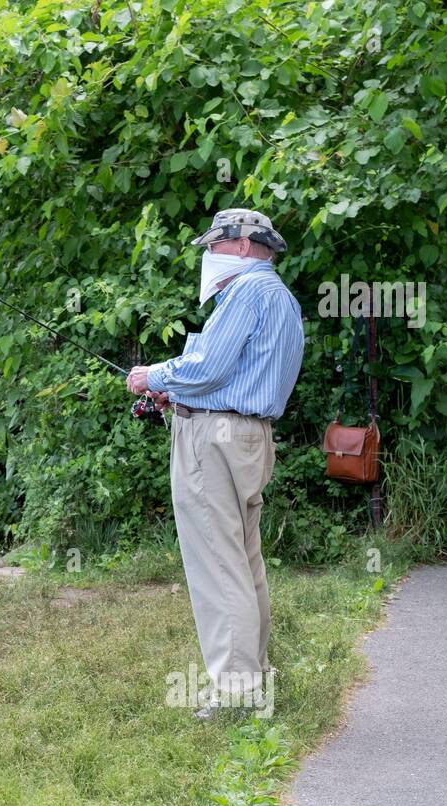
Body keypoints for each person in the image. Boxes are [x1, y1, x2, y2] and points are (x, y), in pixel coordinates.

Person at [126, 208, 304, 718]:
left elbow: (209, 365)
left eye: (215, 246)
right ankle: (255, 678)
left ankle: (236, 695)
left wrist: (152, 376)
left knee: (216, 564)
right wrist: (174, 392)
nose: (208, 256)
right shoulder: (282, 299)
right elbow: (239, 372)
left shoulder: (247, 292)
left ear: (244, 246)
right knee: (244, 563)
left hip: (216, 439)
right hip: (250, 437)